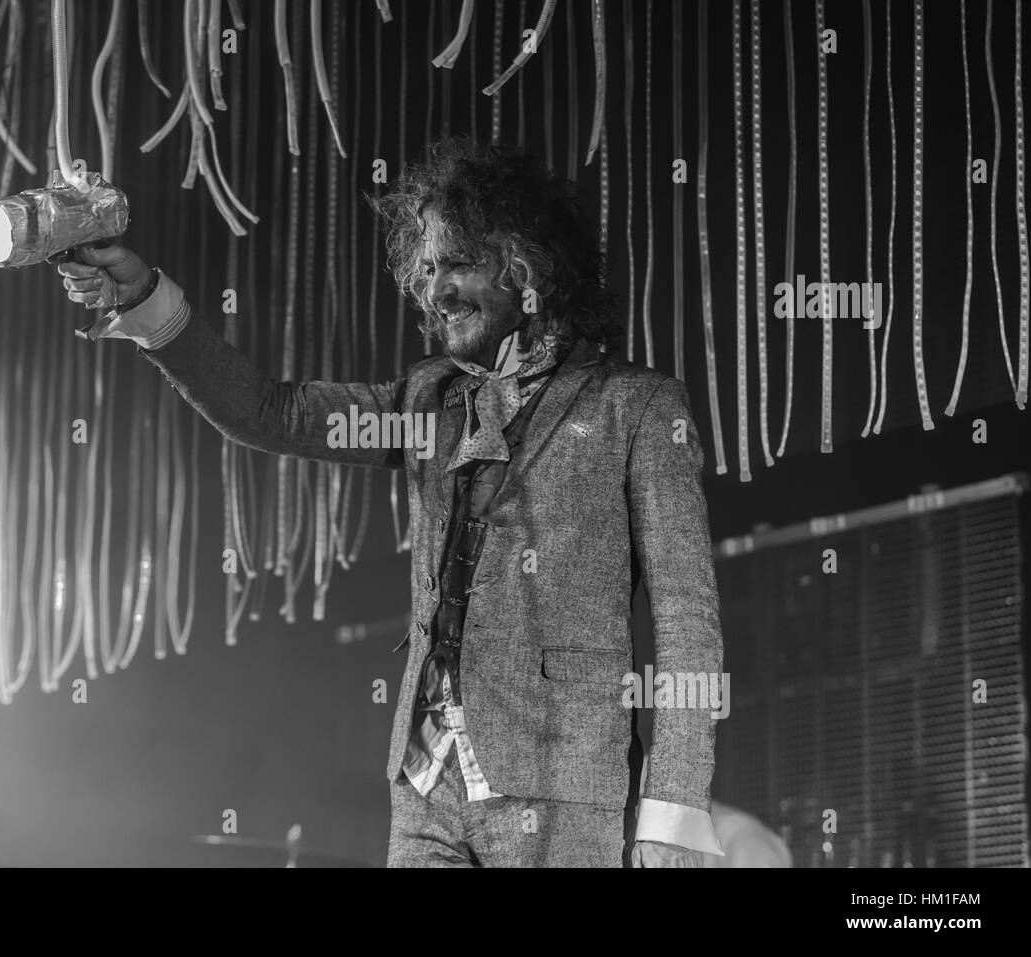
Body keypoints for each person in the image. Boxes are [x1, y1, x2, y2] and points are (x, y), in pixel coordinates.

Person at [56, 136, 725, 867]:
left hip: (562, 789)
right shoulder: (426, 402)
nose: (436, 290)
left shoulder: (640, 407)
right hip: (425, 785)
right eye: (427, 268)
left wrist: (673, 813)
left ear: (526, 263)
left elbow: (688, 619)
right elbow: (269, 412)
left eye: (460, 261)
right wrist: (146, 300)